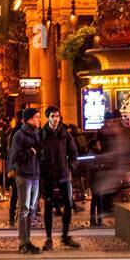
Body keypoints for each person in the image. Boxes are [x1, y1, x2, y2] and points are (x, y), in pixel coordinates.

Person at [38, 105, 81, 250]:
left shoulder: (65, 134)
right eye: (52, 116)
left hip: (63, 174)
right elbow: (37, 154)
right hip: (48, 175)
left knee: (68, 205)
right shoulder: (41, 134)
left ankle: (65, 236)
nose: (55, 119)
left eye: (57, 116)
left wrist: (70, 167)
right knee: (48, 205)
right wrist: (40, 170)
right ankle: (49, 238)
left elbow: (74, 152)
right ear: (48, 118)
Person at [8, 106, 43, 254]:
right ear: (29, 119)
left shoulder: (36, 134)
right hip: (24, 176)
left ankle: (28, 240)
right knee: (24, 209)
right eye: (36, 117)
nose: (39, 120)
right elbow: (15, 157)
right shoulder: (20, 135)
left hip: (35, 175)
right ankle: (23, 242)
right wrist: (32, 151)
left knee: (31, 210)